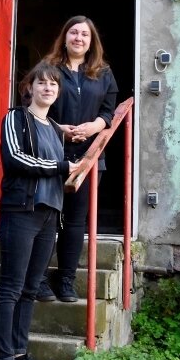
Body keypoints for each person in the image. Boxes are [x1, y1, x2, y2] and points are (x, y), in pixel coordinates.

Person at [0, 62, 87, 360]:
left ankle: (20, 355)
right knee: (11, 288)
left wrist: (69, 172)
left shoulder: (52, 129)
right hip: (21, 211)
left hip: (49, 215)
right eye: (41, 83)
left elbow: (54, 171)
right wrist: (61, 166)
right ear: (29, 88)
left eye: (53, 85)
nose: (47, 88)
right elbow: (16, 159)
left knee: (31, 289)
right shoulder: (16, 118)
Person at [38, 16, 118, 303]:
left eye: (85, 34)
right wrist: (60, 129)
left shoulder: (103, 73)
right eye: (74, 32)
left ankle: (66, 280)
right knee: (47, 217)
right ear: (65, 36)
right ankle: (38, 280)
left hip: (89, 157)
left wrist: (94, 126)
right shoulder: (49, 69)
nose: (79, 38)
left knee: (75, 221)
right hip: (51, 152)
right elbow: (31, 106)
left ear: (91, 41)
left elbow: (109, 112)